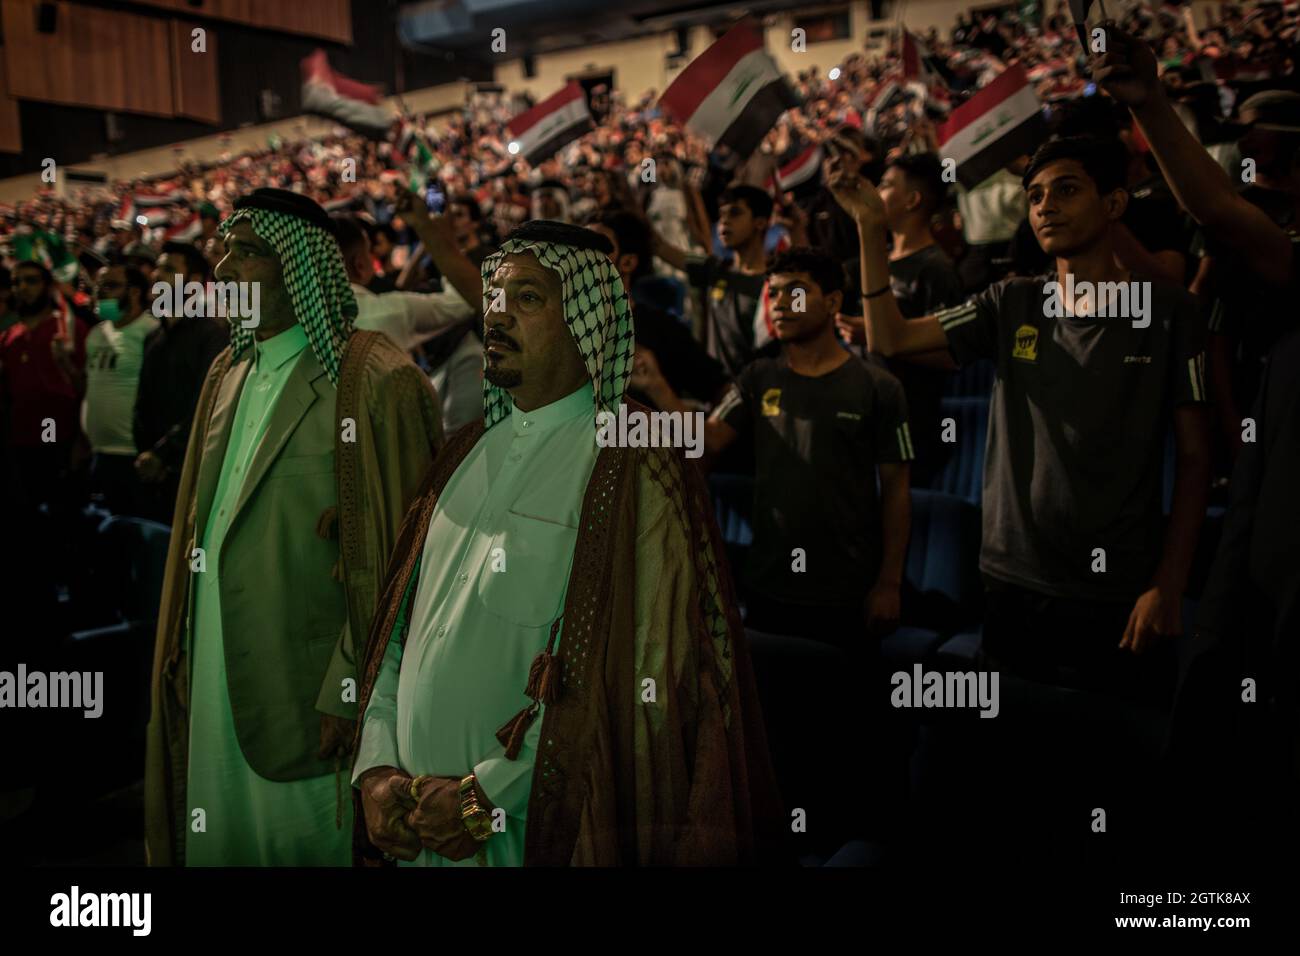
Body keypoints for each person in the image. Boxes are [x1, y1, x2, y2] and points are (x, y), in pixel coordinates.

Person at [350, 220, 784, 866]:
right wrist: (378, 766)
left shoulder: (633, 461)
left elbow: (642, 680)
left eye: (527, 299)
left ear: (588, 322)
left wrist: (484, 797)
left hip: (539, 833)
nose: (498, 317)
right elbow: (398, 633)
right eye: (493, 298)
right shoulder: (462, 451)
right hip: (417, 826)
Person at [830, 134, 1213, 859]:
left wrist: (1167, 583)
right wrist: (870, 234)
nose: (1046, 207)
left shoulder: (1168, 315)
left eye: (1066, 189)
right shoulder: (1012, 301)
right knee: (1018, 777)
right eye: (1035, 195)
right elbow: (888, 337)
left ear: (1113, 203)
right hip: (1009, 583)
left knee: (1106, 791)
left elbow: (1196, 461)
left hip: (1116, 593)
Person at [144, 189, 444, 867]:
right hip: (217, 668)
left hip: (309, 699)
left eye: (247, 252)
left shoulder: (373, 379)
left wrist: (349, 686)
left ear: (302, 266)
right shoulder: (225, 372)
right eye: (222, 251)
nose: (222, 269)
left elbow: (406, 561)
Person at [634, 247, 912, 646]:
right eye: (774, 293)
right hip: (767, 581)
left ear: (833, 301)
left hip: (846, 587)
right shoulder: (757, 377)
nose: (780, 303)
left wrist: (889, 583)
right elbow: (708, 438)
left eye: (794, 292)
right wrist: (658, 388)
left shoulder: (879, 387)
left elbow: (897, 491)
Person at [839, 152, 965, 486]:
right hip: (863, 422)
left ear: (912, 200)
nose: (876, 193)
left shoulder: (935, 270)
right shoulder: (874, 261)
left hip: (910, 427)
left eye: (885, 185)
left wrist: (878, 336)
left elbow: (951, 356)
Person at [586, 210, 727, 409]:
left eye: (596, 248)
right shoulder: (561, 325)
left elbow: (723, 395)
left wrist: (659, 390)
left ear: (627, 263)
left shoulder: (663, 331)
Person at [133, 241, 227, 524]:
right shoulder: (153, 337)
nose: (157, 275)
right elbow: (142, 403)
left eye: (169, 269)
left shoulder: (212, 335)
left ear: (194, 281)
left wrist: (163, 455)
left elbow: (205, 404)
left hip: (190, 471)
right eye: (158, 268)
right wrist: (146, 453)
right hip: (150, 471)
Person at [654, 185, 777, 379]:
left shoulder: (775, 283)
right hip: (718, 389)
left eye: (735, 213)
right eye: (721, 215)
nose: (724, 221)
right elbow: (659, 246)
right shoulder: (715, 269)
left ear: (760, 223)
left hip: (756, 389)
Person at [332, 213, 476, 354]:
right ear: (360, 266)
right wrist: (445, 242)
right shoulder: (391, 310)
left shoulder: (321, 330)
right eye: (368, 250)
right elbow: (461, 302)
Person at [82, 264, 158, 516]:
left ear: (135, 292)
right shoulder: (96, 333)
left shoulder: (151, 331)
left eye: (111, 286)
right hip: (99, 451)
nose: (101, 292)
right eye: (98, 286)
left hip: (132, 456)